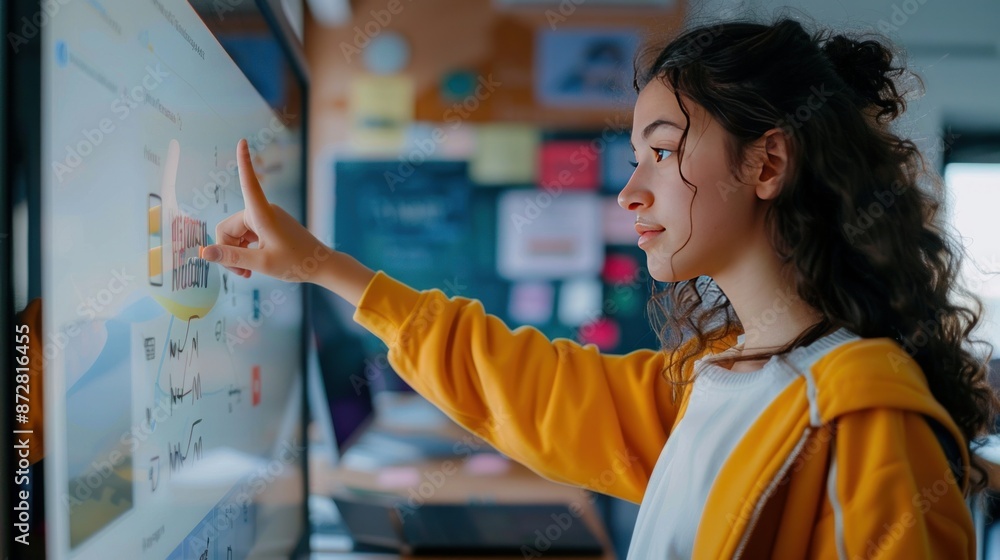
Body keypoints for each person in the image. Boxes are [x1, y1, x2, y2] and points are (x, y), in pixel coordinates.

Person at [201, 16, 998, 559]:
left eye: (661, 151)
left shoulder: (860, 415)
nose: (630, 195)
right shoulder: (716, 377)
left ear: (768, 163)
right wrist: (319, 266)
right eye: (633, 161)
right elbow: (530, 384)